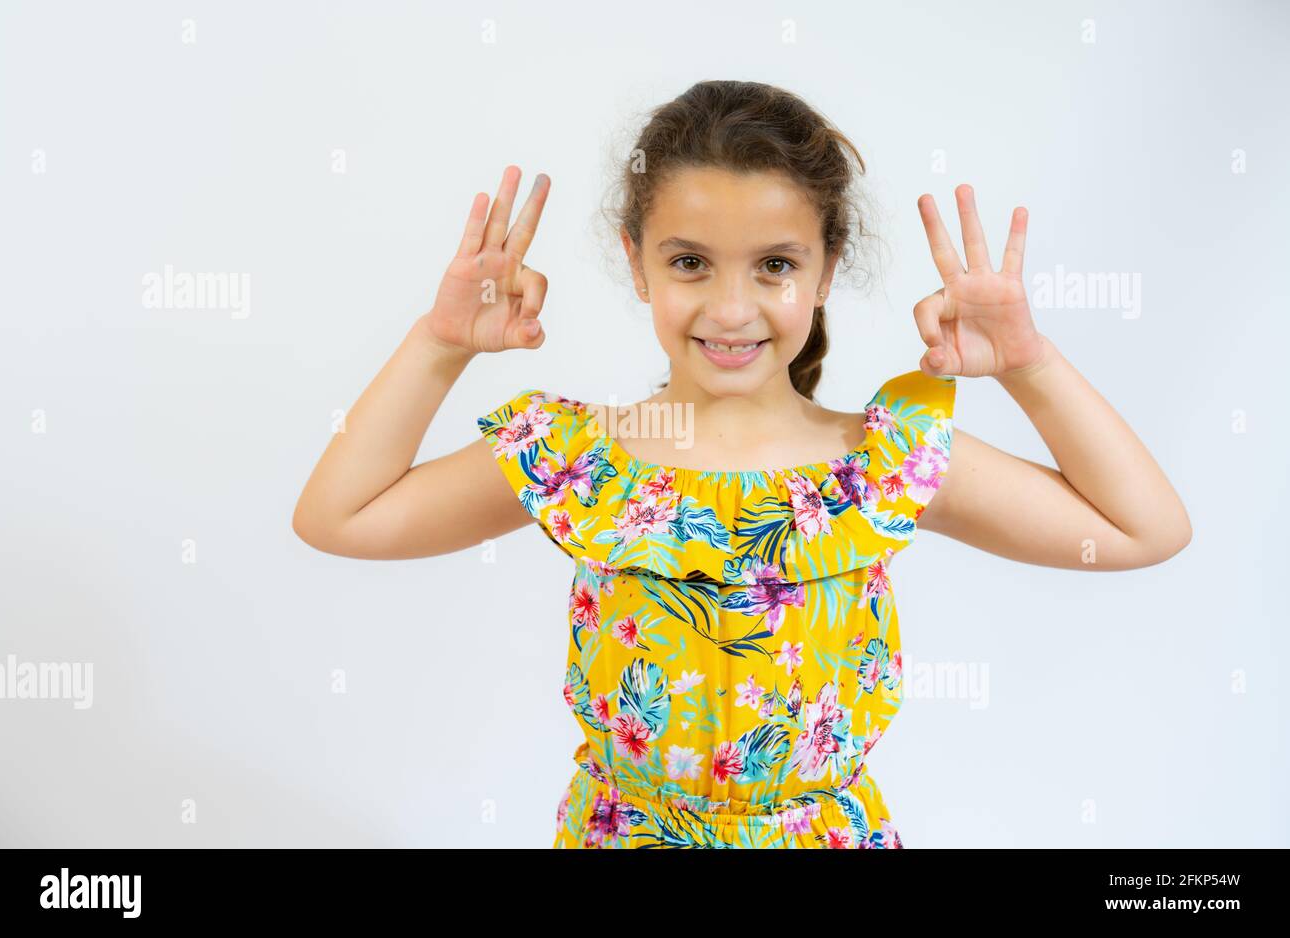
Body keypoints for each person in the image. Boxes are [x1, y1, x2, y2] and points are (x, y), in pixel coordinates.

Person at [292, 80, 1191, 848]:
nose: (731, 308)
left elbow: (1144, 529)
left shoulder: (882, 462)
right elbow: (339, 517)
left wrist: (1029, 363)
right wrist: (440, 343)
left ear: (827, 268)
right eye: (690, 262)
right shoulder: (577, 458)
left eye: (774, 265)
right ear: (636, 266)